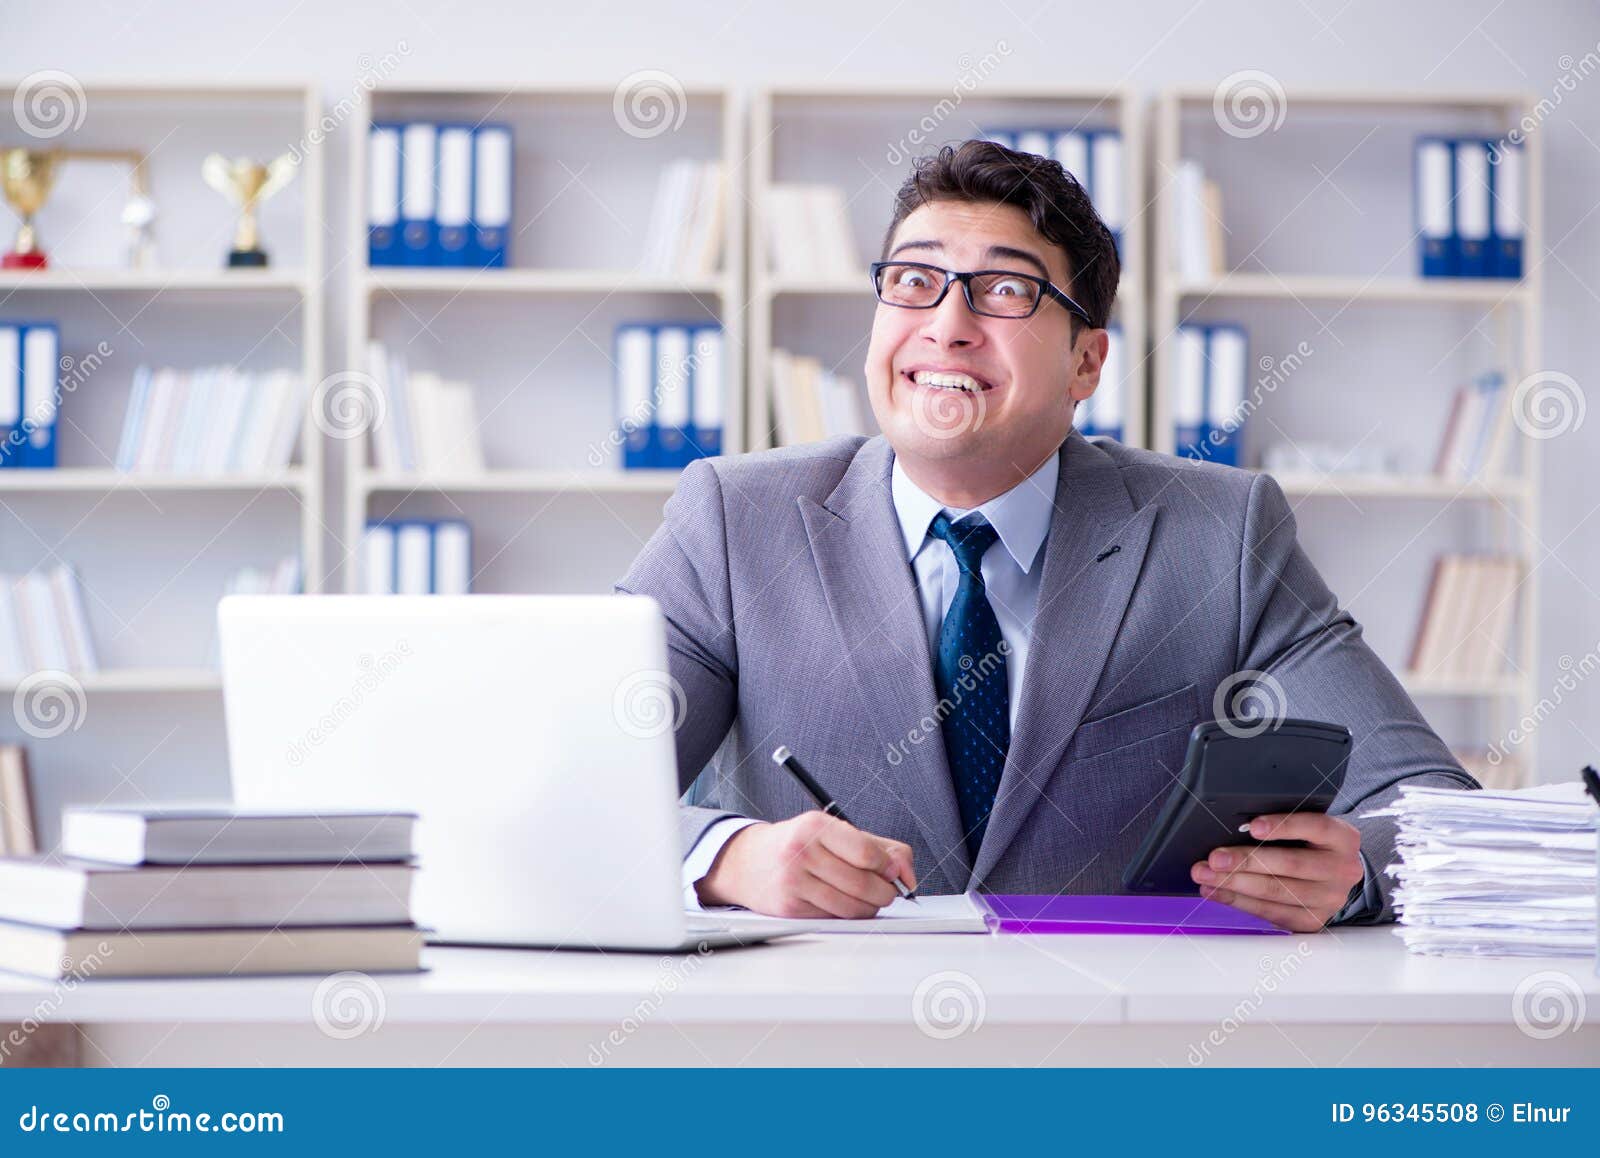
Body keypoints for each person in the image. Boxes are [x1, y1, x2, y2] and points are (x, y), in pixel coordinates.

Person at [617, 139, 1476, 932]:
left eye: (1005, 290)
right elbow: (559, 780)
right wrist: (726, 856)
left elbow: (1431, 807)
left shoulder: (1219, 534)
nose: (948, 324)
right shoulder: (737, 521)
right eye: (915, 282)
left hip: (1122, 1052)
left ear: (1086, 364)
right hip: (823, 1046)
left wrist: (1353, 869)